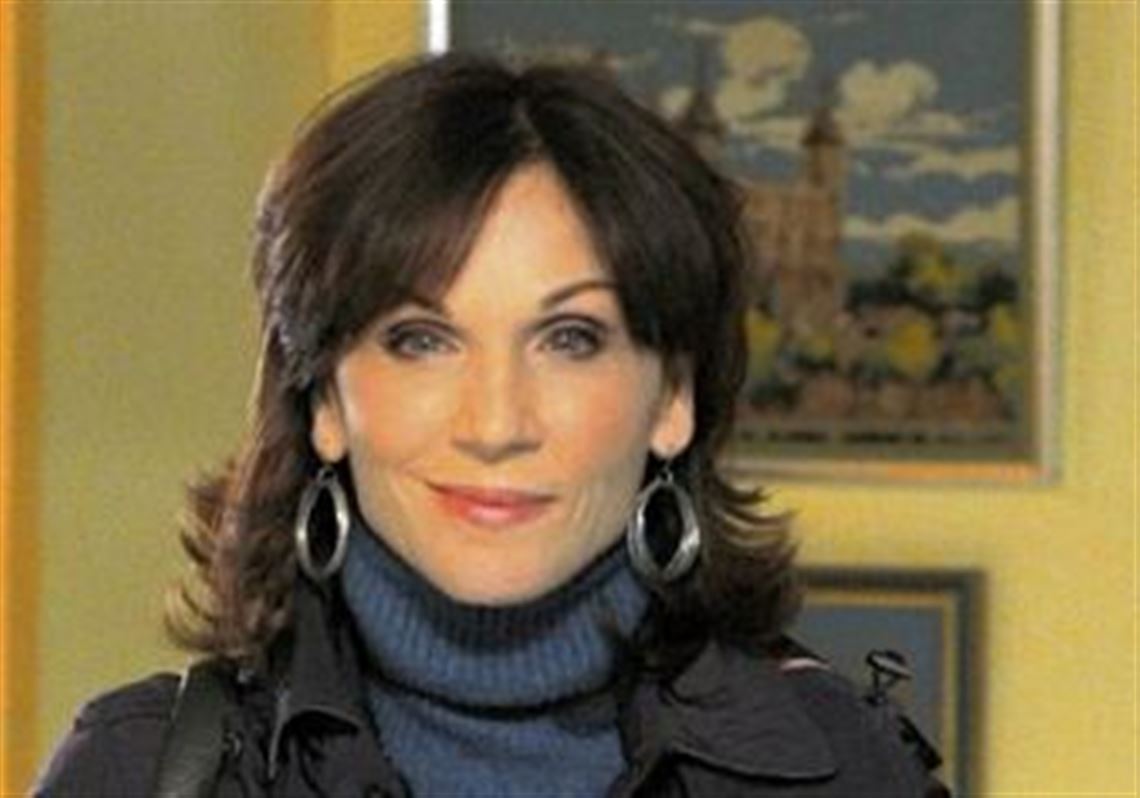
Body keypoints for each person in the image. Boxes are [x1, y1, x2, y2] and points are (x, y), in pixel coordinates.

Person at [36, 53, 946, 797]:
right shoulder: (139, 775)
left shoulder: (850, 773)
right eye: (421, 340)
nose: (496, 422)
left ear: (673, 398)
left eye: (570, 339)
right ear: (325, 402)